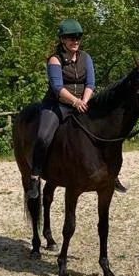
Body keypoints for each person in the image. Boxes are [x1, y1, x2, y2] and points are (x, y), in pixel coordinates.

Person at [27, 19, 96, 199]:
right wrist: (75, 102)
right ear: (62, 40)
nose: (75, 41)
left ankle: (111, 174)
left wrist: (85, 101)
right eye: (71, 37)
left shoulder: (85, 58)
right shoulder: (54, 60)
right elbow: (57, 88)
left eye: (78, 37)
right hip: (57, 105)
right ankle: (34, 177)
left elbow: (90, 83)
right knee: (43, 136)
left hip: (82, 102)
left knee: (104, 128)